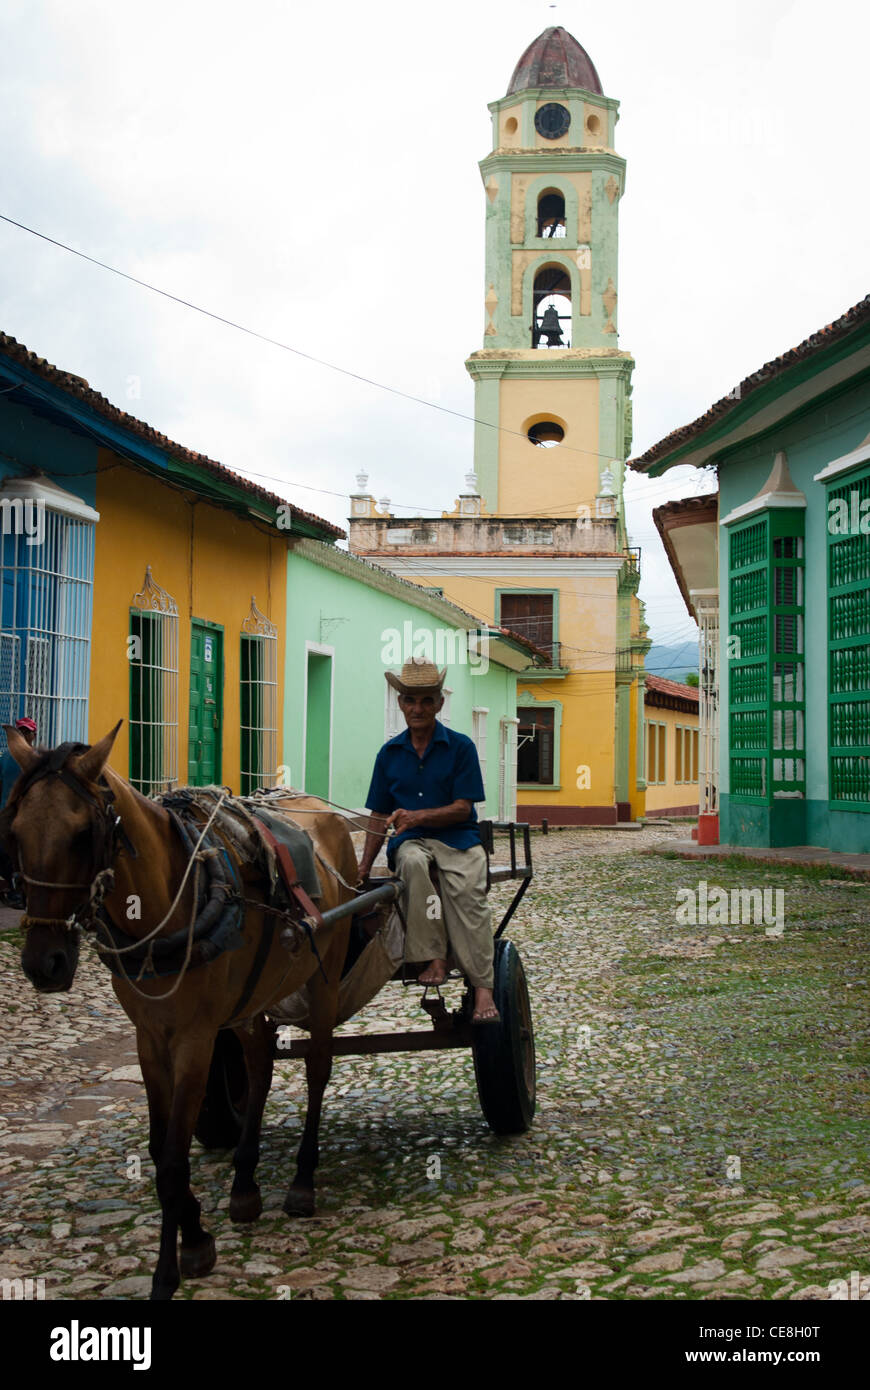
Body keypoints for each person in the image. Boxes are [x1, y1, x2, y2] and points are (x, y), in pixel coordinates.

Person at [356, 658, 499, 1025]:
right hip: (411, 842)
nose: (417, 708)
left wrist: (417, 816)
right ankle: (433, 956)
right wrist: (362, 866)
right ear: (401, 703)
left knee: (468, 896)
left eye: (425, 700)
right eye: (409, 700)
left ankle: (483, 985)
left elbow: (463, 807)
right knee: (412, 865)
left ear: (438, 703)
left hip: (458, 839)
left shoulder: (461, 748)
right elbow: (376, 814)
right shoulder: (388, 754)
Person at [0, 716, 37, 906]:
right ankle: (16, 890)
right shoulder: (13, 757)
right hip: (11, 813)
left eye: (26, 732)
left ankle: (17, 890)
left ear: (33, 735)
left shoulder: (31, 759)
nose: (23, 735)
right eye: (20, 731)